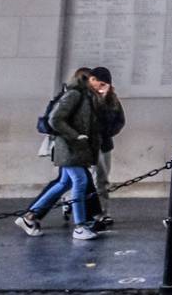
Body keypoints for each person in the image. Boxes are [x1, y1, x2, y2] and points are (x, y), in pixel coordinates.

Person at [15, 70, 102, 240]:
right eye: (97, 81)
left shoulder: (84, 96)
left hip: (73, 148)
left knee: (64, 183)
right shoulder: (74, 95)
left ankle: (29, 217)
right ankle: (80, 226)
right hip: (70, 148)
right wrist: (75, 135)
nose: (99, 84)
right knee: (80, 181)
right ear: (88, 79)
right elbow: (55, 119)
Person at [90, 67, 124, 227]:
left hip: (104, 144)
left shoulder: (113, 99)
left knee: (102, 180)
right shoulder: (87, 97)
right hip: (90, 144)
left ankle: (103, 212)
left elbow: (119, 120)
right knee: (91, 178)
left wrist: (108, 132)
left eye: (106, 84)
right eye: (100, 83)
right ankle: (92, 212)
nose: (102, 87)